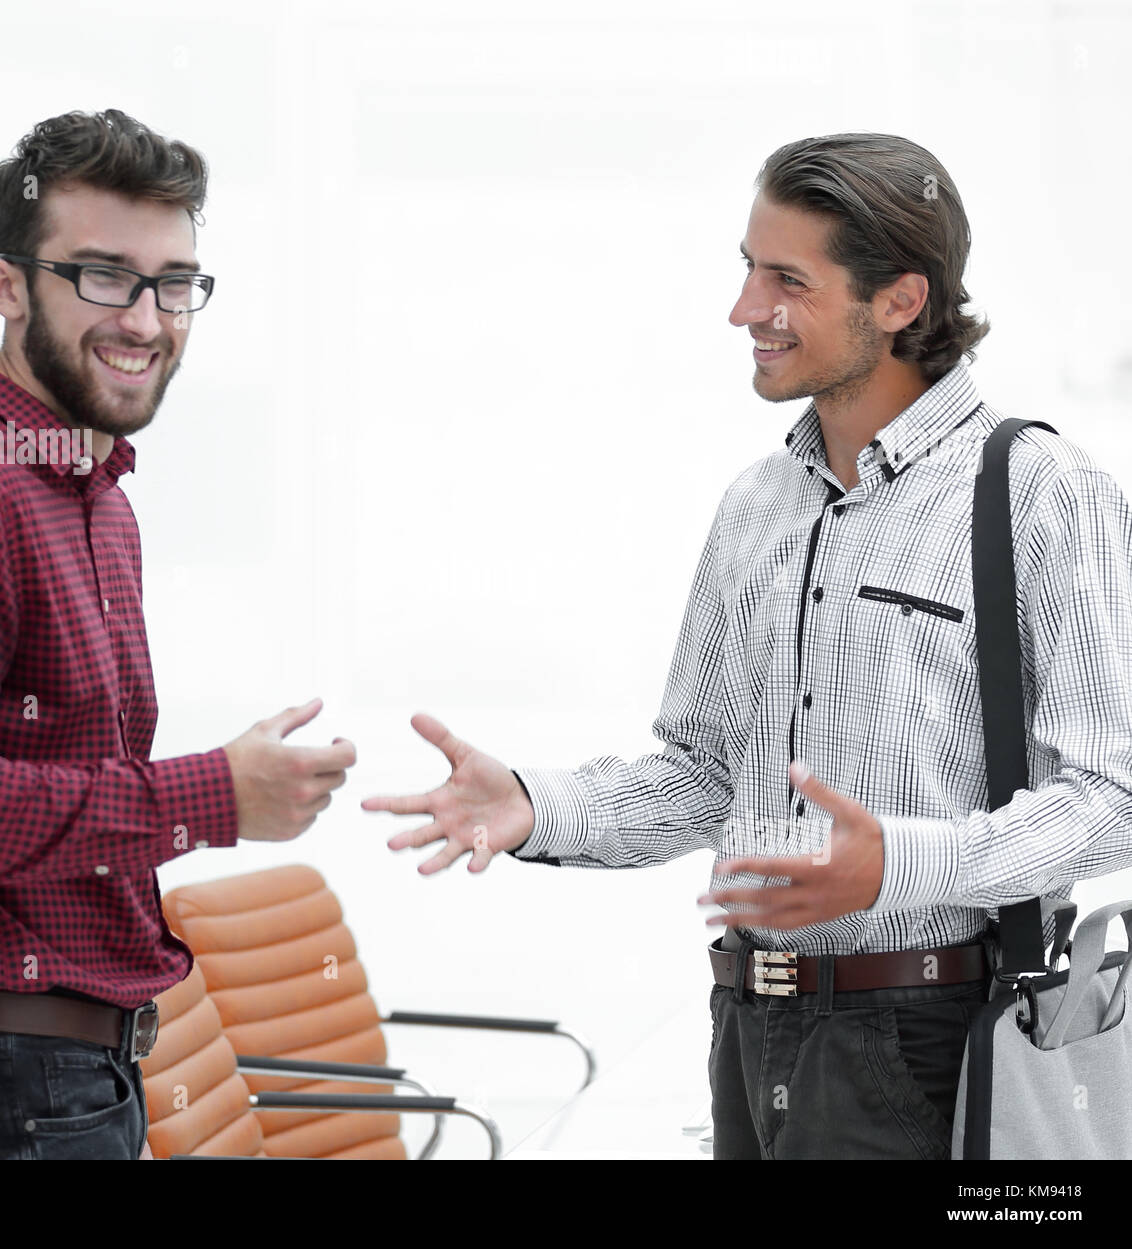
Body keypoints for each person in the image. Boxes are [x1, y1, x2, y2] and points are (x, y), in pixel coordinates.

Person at [362, 132, 1132, 1160]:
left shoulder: (1041, 493)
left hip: (937, 1041)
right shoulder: (758, 506)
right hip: (750, 1027)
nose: (742, 311)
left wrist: (901, 863)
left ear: (899, 302)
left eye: (785, 281)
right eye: (745, 269)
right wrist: (536, 803)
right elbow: (707, 773)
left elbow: (1113, 795)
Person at [0, 108, 356, 1160]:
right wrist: (214, 794)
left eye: (175, 282)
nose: (148, 318)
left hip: (66, 1077)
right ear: (8, 285)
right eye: (104, 275)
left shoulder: (88, 490)